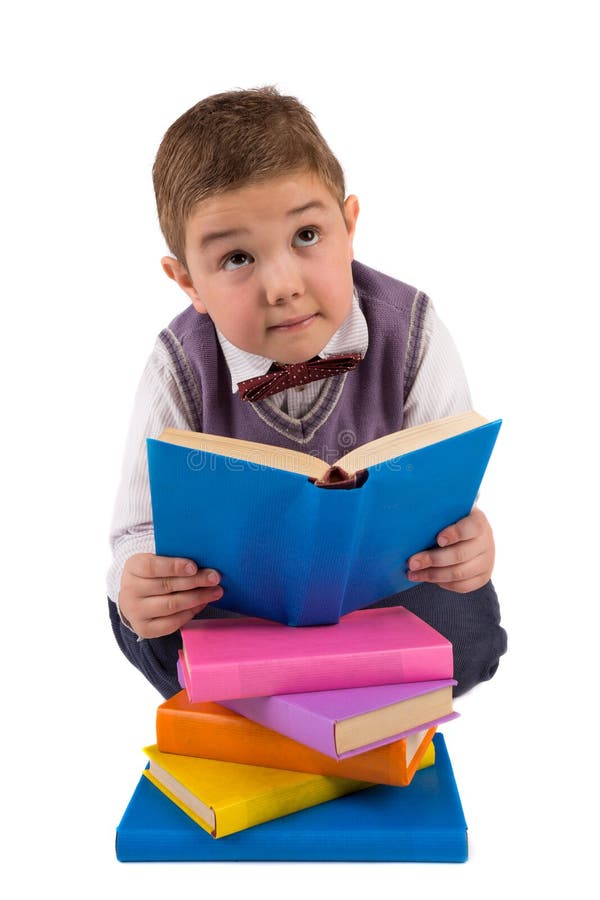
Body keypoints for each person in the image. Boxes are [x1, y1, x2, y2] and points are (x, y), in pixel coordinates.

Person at [108, 86, 507, 699]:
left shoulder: (413, 328)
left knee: (472, 624)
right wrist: (137, 581)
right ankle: (296, 695)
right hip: (237, 606)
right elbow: (136, 530)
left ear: (349, 227)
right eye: (238, 257)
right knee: (145, 626)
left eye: (307, 236)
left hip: (381, 595)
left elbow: (449, 496)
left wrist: (468, 545)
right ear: (187, 279)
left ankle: (308, 696)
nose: (283, 286)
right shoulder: (178, 364)